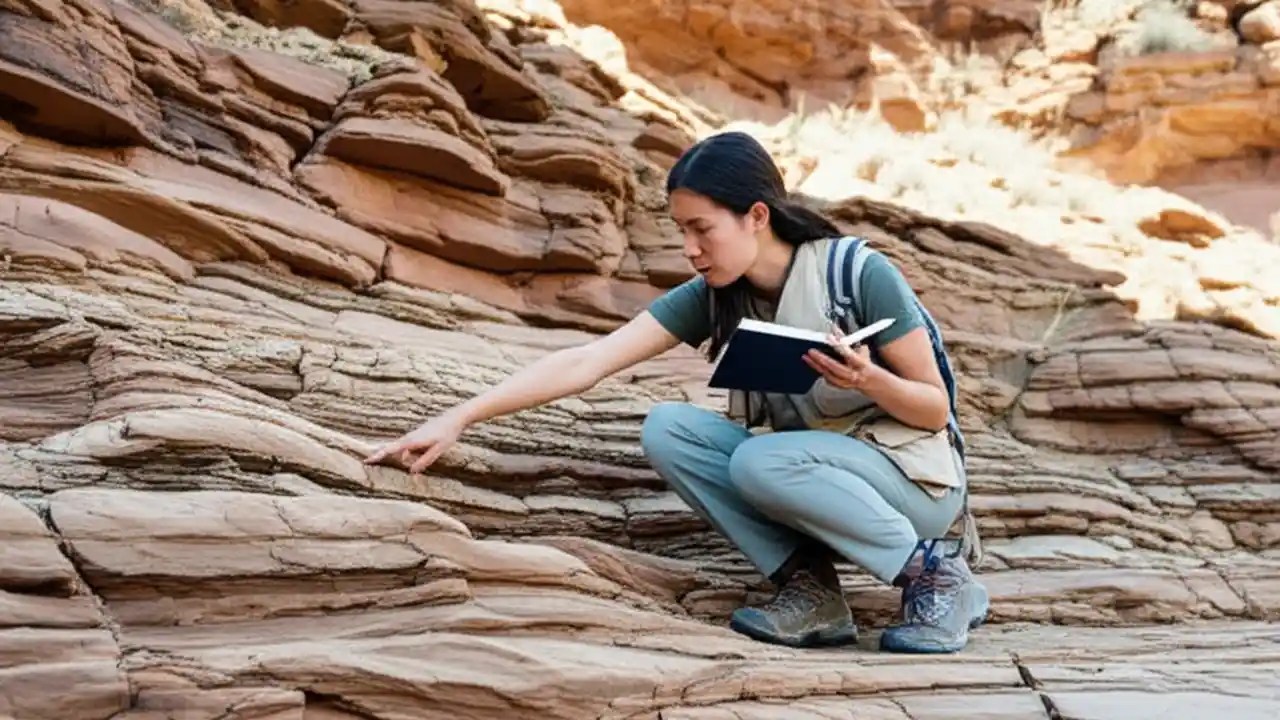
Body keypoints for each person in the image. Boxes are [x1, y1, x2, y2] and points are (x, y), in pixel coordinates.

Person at [364, 131, 988, 654]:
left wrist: (868, 379)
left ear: (757, 216)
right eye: (681, 230)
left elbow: (934, 409)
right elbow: (589, 360)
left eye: (701, 229)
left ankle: (937, 577)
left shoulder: (858, 274)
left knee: (759, 459)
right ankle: (813, 593)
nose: (689, 249)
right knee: (669, 430)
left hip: (916, 488)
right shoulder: (716, 296)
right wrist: (461, 417)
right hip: (811, 477)